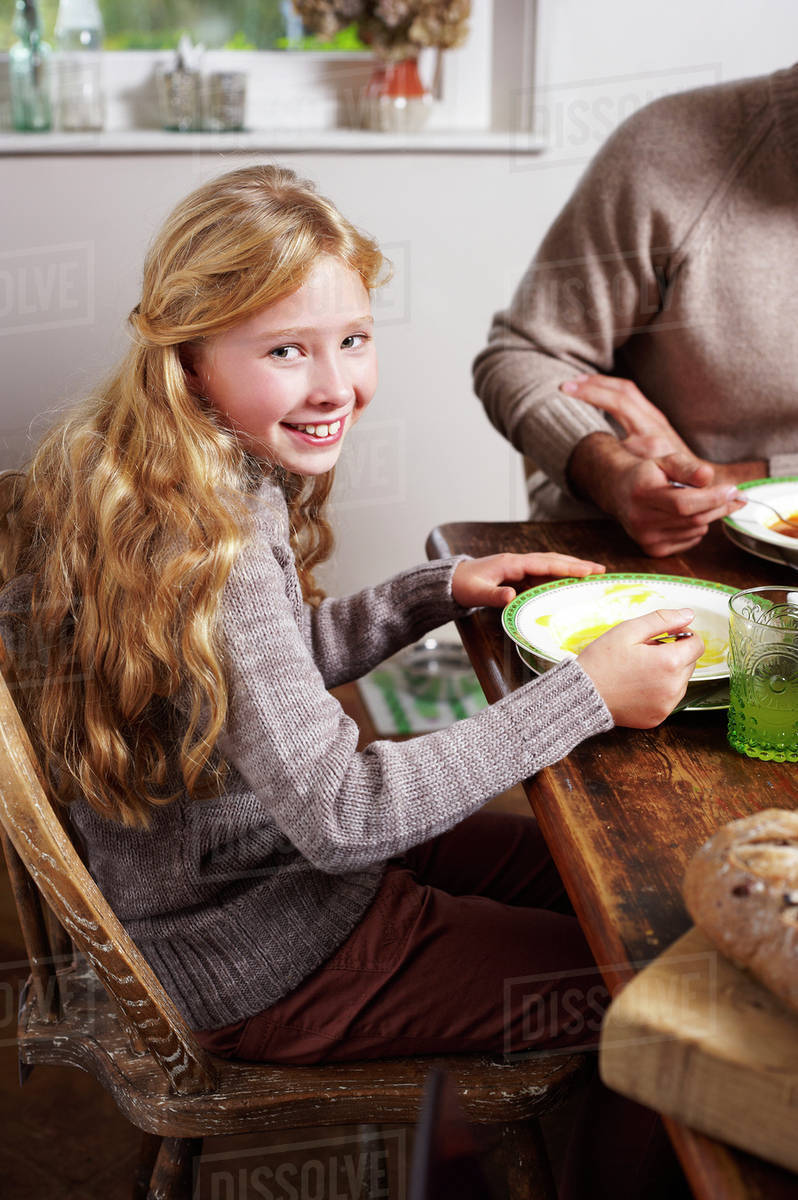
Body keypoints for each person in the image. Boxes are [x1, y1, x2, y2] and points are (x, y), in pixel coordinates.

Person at [0, 166, 695, 1195]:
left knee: (632, 892)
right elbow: (340, 812)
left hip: (245, 883)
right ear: (190, 361)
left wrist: (431, 592)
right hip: (264, 948)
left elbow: (247, 690)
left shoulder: (153, 468)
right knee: (663, 990)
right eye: (287, 350)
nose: (336, 386)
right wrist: (584, 694)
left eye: (353, 340)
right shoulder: (216, 533)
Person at [473, 63, 798, 557]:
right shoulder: (667, 149)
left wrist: (742, 480)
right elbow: (522, 354)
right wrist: (608, 469)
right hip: (646, 554)